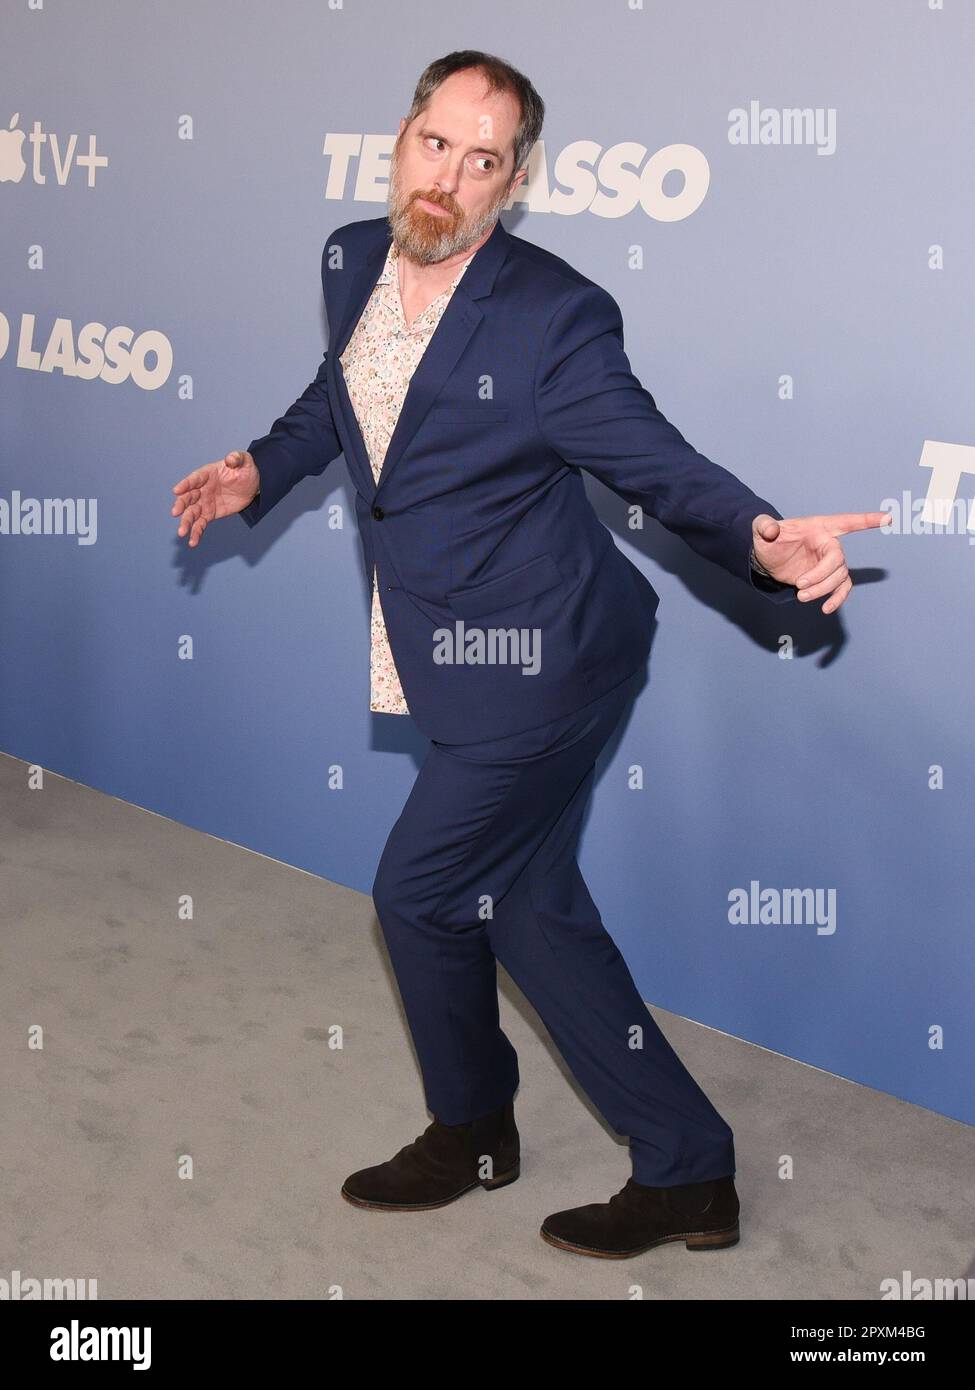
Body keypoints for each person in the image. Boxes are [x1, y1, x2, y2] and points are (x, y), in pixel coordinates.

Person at [171, 50, 888, 1260]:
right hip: (443, 640)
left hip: (544, 661)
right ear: (401, 139)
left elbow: (655, 460)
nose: (449, 176)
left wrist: (764, 541)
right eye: (434, 143)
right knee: (532, 907)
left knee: (421, 891)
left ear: (514, 181)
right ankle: (682, 1169)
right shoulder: (355, 254)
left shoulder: (553, 313)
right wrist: (259, 468)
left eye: (483, 158)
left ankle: (473, 1127)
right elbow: (340, 401)